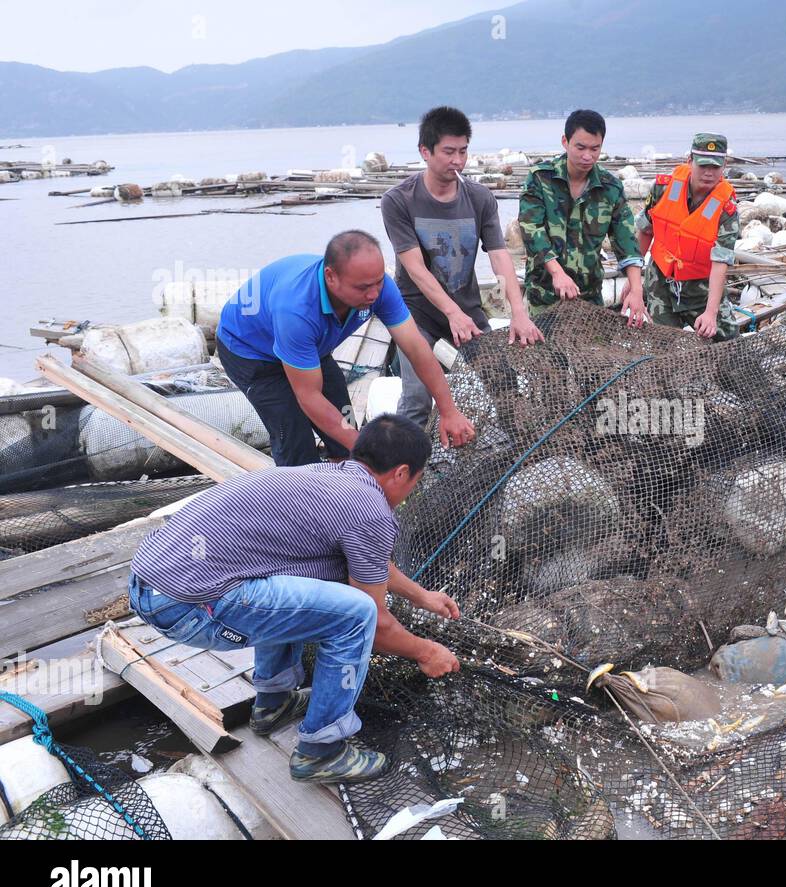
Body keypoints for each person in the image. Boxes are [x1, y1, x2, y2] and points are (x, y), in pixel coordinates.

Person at [128, 415, 461, 784]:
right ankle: (322, 751)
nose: (412, 488)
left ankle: (273, 704)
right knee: (355, 614)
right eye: (416, 479)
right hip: (188, 605)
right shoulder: (371, 510)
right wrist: (427, 653)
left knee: (305, 584)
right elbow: (377, 624)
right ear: (401, 473)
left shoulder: (329, 478)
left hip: (148, 582)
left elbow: (370, 561)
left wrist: (421, 596)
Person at [216, 231, 475, 465]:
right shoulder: (296, 309)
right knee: (295, 439)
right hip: (250, 351)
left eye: (377, 283)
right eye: (363, 288)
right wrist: (370, 456)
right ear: (331, 277)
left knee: (345, 424)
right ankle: (302, 506)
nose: (373, 295)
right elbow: (309, 397)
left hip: (308, 349)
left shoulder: (379, 288)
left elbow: (417, 350)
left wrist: (448, 410)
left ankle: (348, 487)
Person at [381, 106, 544, 430]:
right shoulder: (399, 200)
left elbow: (499, 255)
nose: (457, 160)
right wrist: (450, 313)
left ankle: (512, 461)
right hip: (417, 314)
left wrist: (518, 311)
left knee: (503, 385)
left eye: (463, 151)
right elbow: (414, 268)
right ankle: (395, 472)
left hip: (468, 310)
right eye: (448, 152)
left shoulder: (480, 197)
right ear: (425, 152)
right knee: (417, 399)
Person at [517, 109, 646, 321]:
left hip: (589, 295)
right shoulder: (540, 178)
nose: (588, 156)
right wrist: (557, 273)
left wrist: (636, 290)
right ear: (565, 142)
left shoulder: (610, 187)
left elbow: (627, 242)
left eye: (595, 149)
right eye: (580, 147)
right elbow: (531, 229)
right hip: (545, 295)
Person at [634, 132, 741, 340]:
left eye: (715, 167)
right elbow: (646, 230)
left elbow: (721, 262)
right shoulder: (663, 188)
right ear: (690, 161)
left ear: (724, 165)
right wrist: (633, 281)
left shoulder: (727, 210)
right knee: (663, 345)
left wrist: (711, 313)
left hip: (700, 289)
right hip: (661, 283)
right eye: (703, 166)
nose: (709, 173)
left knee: (730, 344)